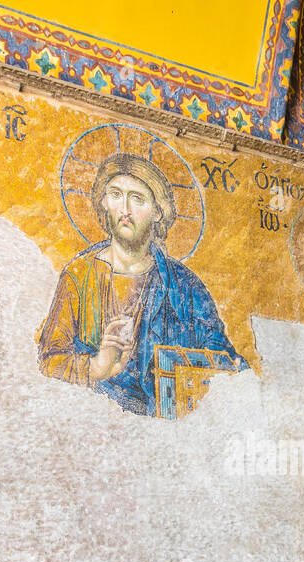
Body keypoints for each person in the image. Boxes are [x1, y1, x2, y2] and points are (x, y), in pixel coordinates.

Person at [37, 151, 244, 415]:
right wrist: (97, 367)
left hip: (168, 429)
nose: (124, 209)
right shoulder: (79, 276)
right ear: (103, 202)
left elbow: (226, 366)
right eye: (115, 195)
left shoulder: (185, 287)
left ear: (159, 211)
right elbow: (48, 362)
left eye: (137, 198)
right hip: (93, 420)